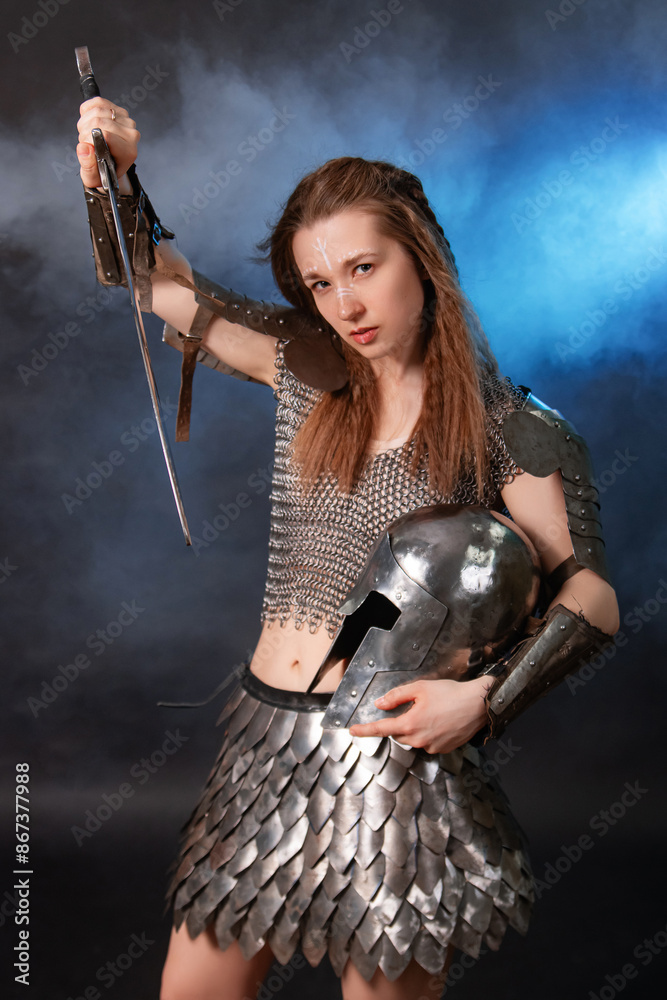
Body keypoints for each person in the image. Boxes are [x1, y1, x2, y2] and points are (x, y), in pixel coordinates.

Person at [76, 96, 619, 1000]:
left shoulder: (509, 427)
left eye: (364, 268)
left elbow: (590, 594)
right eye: (321, 285)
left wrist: (481, 700)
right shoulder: (307, 365)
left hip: (390, 758)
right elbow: (160, 287)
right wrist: (112, 176)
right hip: (263, 741)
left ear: (423, 257)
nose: (345, 305)